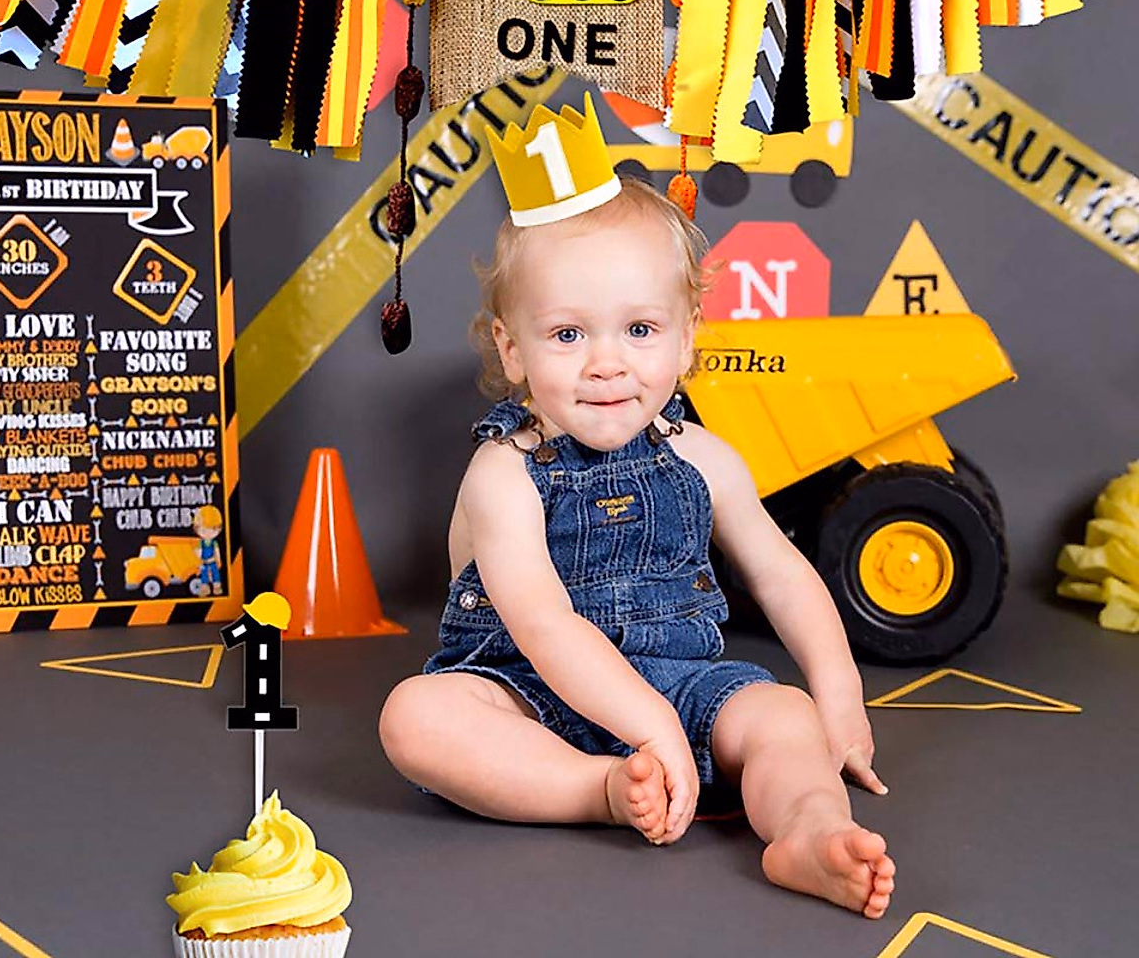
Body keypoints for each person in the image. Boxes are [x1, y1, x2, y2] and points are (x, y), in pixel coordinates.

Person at [379, 178, 895, 919]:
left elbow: (782, 574)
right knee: (416, 716)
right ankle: (597, 791)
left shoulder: (705, 459)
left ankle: (810, 830)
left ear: (686, 337)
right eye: (568, 335)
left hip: (684, 687)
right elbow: (545, 626)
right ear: (511, 347)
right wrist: (648, 729)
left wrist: (838, 696)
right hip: (527, 698)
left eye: (640, 330)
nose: (607, 363)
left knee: (785, 717)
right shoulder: (504, 474)